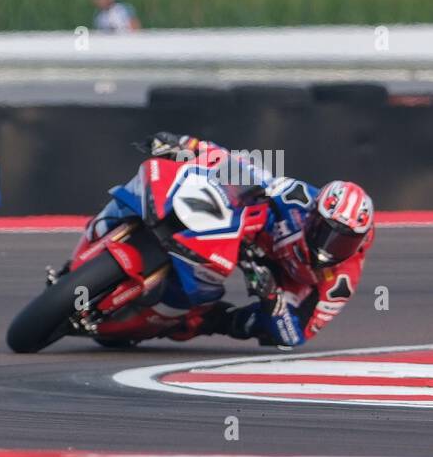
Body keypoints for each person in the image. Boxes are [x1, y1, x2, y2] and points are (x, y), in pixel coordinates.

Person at [93, 132, 374, 347]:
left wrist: (272, 298)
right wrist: (187, 145)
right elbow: (242, 167)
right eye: (326, 232)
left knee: (252, 325)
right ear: (313, 215)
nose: (329, 247)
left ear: (359, 243)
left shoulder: (340, 281)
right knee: (221, 192)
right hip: (253, 236)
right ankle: (136, 221)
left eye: (343, 241)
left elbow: (297, 335)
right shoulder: (296, 196)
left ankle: (174, 321)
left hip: (283, 281)